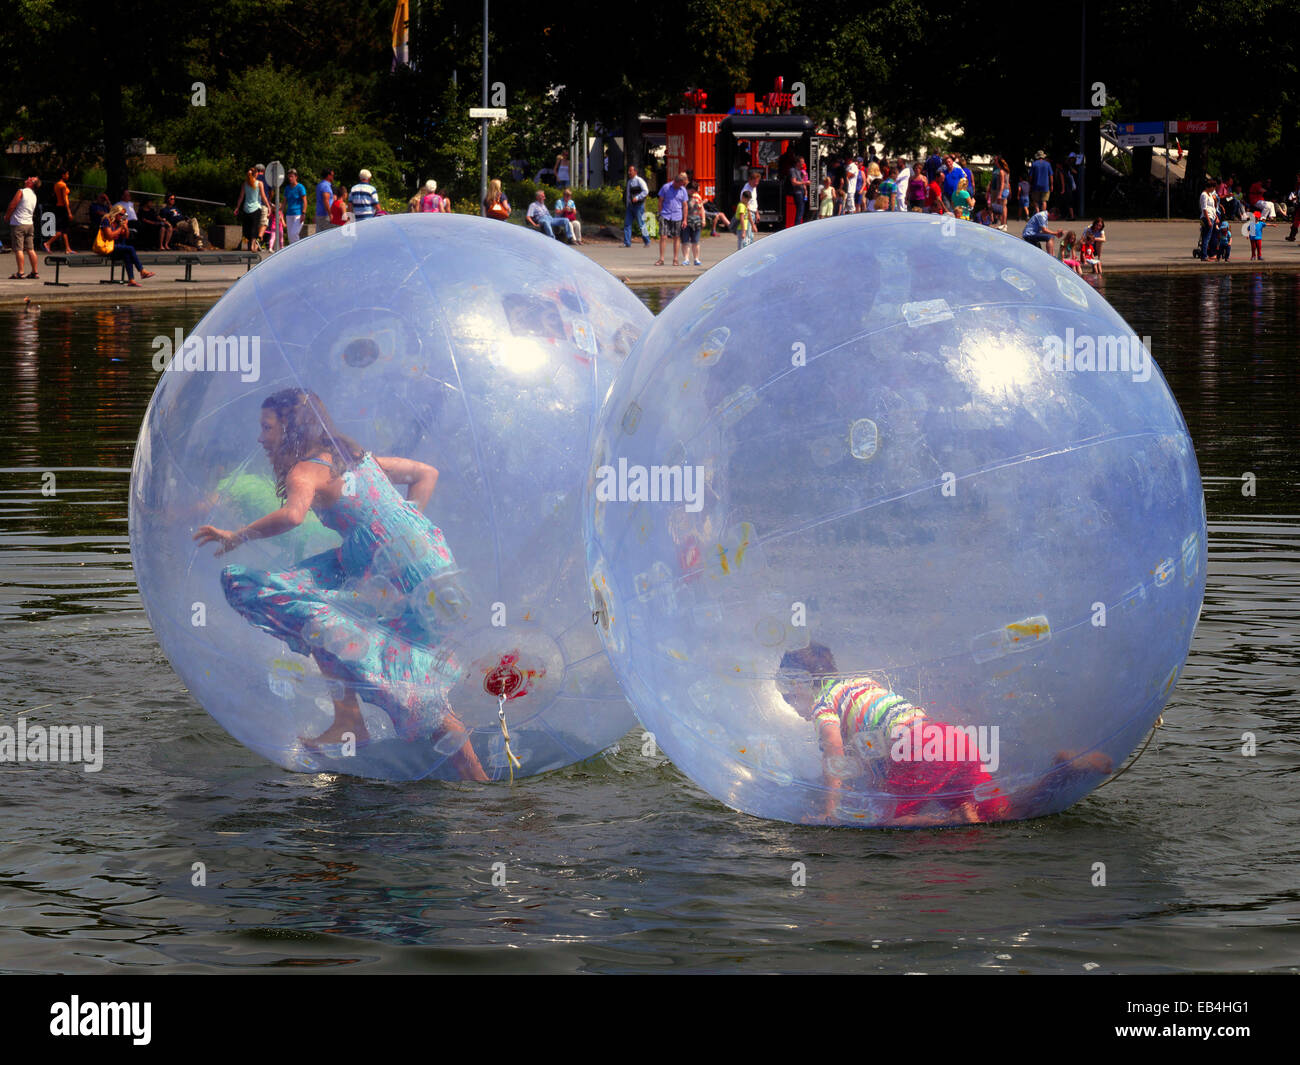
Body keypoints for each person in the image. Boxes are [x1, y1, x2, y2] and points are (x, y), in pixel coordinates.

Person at [194, 388, 488, 780]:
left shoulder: (305, 470)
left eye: (267, 427)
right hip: (426, 563)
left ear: (291, 428)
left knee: (398, 670)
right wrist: (401, 528)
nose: (261, 438)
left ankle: (478, 782)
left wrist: (239, 536)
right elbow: (424, 473)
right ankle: (349, 720)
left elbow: (294, 516)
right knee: (332, 623)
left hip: (392, 574)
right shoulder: (355, 458)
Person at [778, 644, 1112, 825]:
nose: (790, 703)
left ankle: (951, 818)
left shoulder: (825, 704)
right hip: (949, 740)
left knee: (883, 823)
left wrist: (830, 810)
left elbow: (834, 750)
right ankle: (1062, 772)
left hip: (915, 749)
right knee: (1000, 813)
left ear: (804, 685)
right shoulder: (863, 684)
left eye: (789, 694)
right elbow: (875, 749)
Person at [97, 204, 155, 287]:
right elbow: (109, 236)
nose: (122, 217)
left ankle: (131, 280)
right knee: (130, 248)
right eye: (121, 214)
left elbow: (126, 236)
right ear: (115, 213)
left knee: (127, 254)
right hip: (107, 247)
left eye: (124, 215)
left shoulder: (120, 222)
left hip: (118, 247)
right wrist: (120, 228)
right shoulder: (107, 220)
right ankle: (142, 271)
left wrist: (125, 227)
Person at [6, 176, 41, 279]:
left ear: (32, 183)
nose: (29, 178)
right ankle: (35, 272)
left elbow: (13, 205)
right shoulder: (34, 195)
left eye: (31, 178)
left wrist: (7, 216)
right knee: (30, 249)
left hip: (18, 223)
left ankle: (20, 272)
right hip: (29, 224)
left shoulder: (21, 191)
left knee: (18, 249)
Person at [656, 171, 689, 266]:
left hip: (677, 216)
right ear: (676, 181)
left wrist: (685, 219)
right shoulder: (666, 187)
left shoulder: (683, 190)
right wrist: (660, 213)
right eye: (681, 184)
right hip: (665, 215)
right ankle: (661, 259)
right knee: (663, 236)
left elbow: (685, 206)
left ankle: (675, 259)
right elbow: (660, 201)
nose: (681, 186)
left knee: (676, 237)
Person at [235, 167, 270, 251]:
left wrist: (237, 207)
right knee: (254, 227)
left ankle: (247, 245)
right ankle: (253, 245)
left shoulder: (245, 184)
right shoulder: (259, 183)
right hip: (256, 208)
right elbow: (263, 196)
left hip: (246, 208)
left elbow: (241, 197)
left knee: (247, 227)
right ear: (256, 174)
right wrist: (268, 206)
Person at [44, 169, 74, 254]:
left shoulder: (57, 184)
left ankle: (68, 248)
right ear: (63, 175)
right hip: (63, 208)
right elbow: (64, 199)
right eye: (67, 174)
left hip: (59, 207)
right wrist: (69, 212)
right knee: (60, 230)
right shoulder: (62, 185)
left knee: (64, 229)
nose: (68, 176)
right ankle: (48, 243)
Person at [623, 165, 650, 247]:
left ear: (635, 172)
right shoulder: (629, 182)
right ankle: (627, 242)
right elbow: (628, 194)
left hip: (638, 206)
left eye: (631, 171)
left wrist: (638, 197)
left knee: (641, 224)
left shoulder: (639, 180)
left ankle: (647, 241)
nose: (629, 173)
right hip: (630, 206)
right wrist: (627, 204)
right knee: (627, 224)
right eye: (628, 171)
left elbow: (646, 191)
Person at [682, 183, 705, 265]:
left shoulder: (697, 197)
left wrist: (703, 219)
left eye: (695, 191)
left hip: (696, 219)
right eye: (692, 190)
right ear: (688, 189)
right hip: (686, 220)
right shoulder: (683, 196)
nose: (693, 192)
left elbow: (701, 207)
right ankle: (686, 259)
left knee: (696, 241)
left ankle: (696, 259)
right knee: (685, 241)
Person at [282, 169, 307, 243]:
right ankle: (293, 252)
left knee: (294, 234)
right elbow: (284, 202)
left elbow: (305, 201)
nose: (290, 178)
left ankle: (298, 250)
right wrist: (280, 211)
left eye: (292, 176)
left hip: (298, 214)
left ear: (296, 177)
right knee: (290, 236)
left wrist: (303, 213)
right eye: (289, 177)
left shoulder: (300, 187)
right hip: (289, 214)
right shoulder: (287, 188)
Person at [1197, 179, 1218, 261]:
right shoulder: (1204, 195)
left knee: (1208, 237)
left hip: (1211, 217)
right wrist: (1209, 220)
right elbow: (1204, 208)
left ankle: (1205, 255)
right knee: (1206, 237)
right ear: (1211, 187)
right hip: (1206, 217)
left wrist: (1215, 216)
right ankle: (1204, 256)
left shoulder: (1209, 195)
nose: (1214, 189)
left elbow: (1212, 207)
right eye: (1213, 187)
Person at [315, 169, 336, 233]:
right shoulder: (326, 186)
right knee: (328, 236)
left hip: (319, 214)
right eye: (332, 175)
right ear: (328, 176)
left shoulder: (320, 185)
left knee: (320, 236)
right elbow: (326, 201)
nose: (333, 177)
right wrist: (330, 214)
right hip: (325, 215)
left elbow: (319, 201)